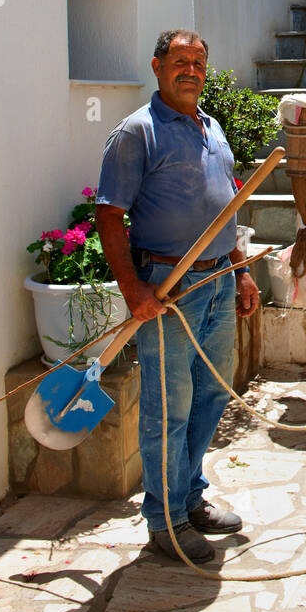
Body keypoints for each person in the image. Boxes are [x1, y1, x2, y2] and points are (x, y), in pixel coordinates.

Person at [95, 29, 260, 562]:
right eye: (179, 61)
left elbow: (224, 210)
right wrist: (133, 290)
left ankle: (190, 499)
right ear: (157, 66)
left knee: (211, 395)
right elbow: (109, 215)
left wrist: (241, 270)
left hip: (216, 280)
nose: (190, 69)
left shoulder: (211, 127)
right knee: (169, 407)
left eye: (198, 62)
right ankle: (164, 519)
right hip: (167, 289)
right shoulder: (136, 133)